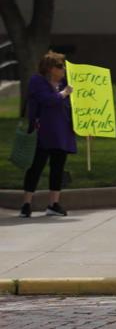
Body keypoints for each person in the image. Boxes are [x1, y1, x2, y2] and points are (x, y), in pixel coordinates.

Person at [19, 51, 77, 218]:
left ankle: (53, 204)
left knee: (58, 168)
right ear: (49, 68)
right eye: (60, 66)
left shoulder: (66, 83)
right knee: (35, 167)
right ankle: (26, 204)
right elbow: (48, 100)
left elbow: (75, 108)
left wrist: (85, 128)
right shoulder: (38, 81)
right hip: (42, 133)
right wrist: (64, 92)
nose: (63, 69)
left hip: (62, 133)